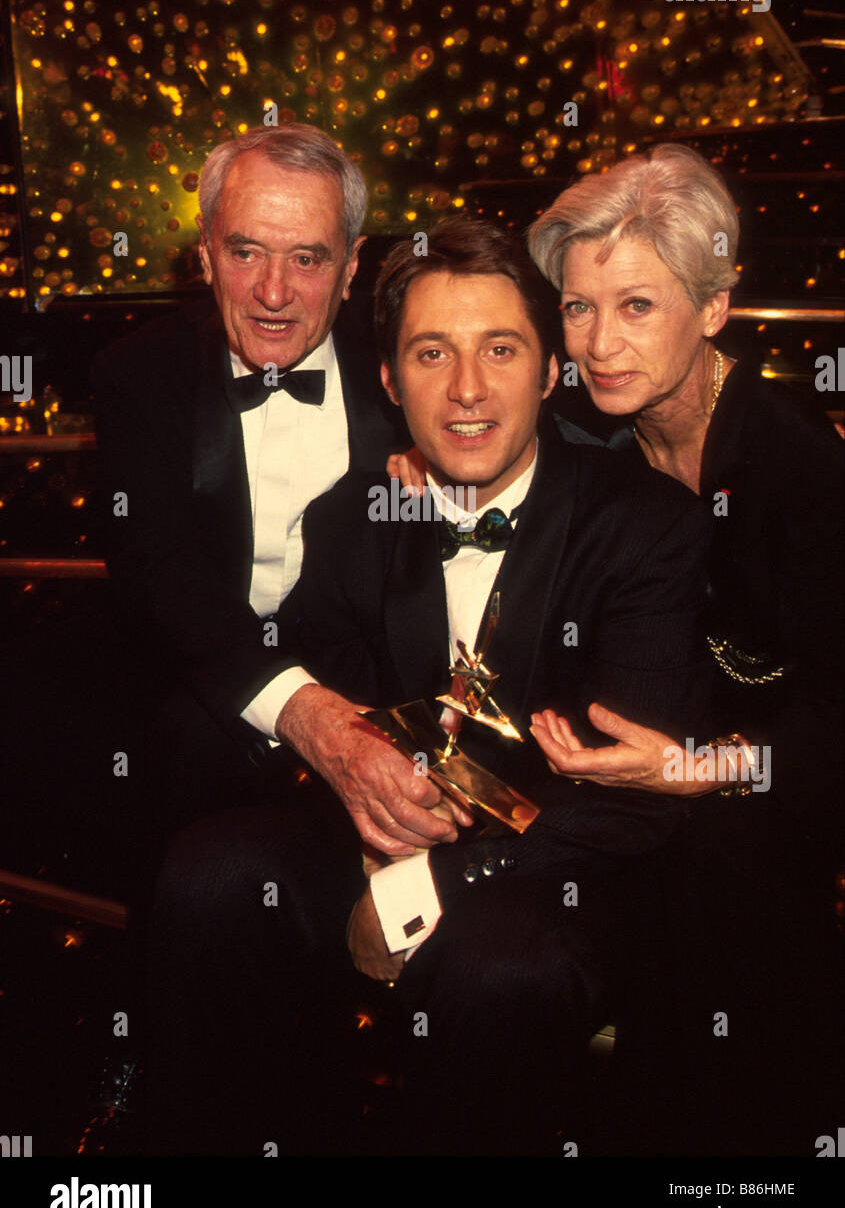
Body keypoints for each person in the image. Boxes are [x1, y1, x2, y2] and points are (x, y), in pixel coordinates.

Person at [147, 217, 714, 1155]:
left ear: (547, 373)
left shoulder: (645, 528)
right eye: (429, 353)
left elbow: (632, 806)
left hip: (569, 864)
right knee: (214, 875)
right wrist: (368, 831)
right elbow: (329, 715)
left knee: (495, 965)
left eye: (500, 349)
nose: (465, 391)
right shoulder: (353, 517)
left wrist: (427, 885)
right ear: (387, 379)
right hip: (398, 834)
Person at [518, 142, 845, 1154]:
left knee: (708, 892)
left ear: (711, 308)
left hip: (764, 802)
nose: (598, 344)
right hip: (618, 784)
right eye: (577, 307)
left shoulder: (798, 475)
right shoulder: (577, 425)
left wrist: (699, 770)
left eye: (636, 307)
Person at [93, 123, 465, 846]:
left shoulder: (414, 364)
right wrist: (306, 714)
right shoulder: (137, 374)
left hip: (389, 694)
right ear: (205, 252)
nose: (273, 292)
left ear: (353, 265)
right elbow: (160, 580)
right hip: (211, 691)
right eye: (245, 252)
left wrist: (449, 465)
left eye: (307, 258)